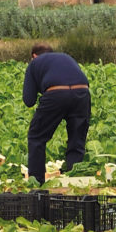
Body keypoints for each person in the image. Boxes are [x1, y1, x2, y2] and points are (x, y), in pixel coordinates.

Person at [22, 43, 91, 184]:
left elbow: (29, 100)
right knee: (77, 139)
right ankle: (75, 180)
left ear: (34, 56)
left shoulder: (34, 63)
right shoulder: (65, 57)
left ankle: (37, 182)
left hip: (56, 93)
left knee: (36, 137)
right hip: (82, 92)